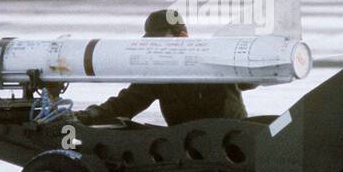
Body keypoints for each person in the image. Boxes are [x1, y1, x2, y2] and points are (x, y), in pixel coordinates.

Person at [74, 9, 250, 125]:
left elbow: (249, 82)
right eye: (152, 42)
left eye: (160, 41)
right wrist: (90, 115)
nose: (155, 47)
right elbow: (126, 104)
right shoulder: (160, 71)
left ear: (182, 36)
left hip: (231, 143)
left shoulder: (213, 60)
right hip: (189, 149)